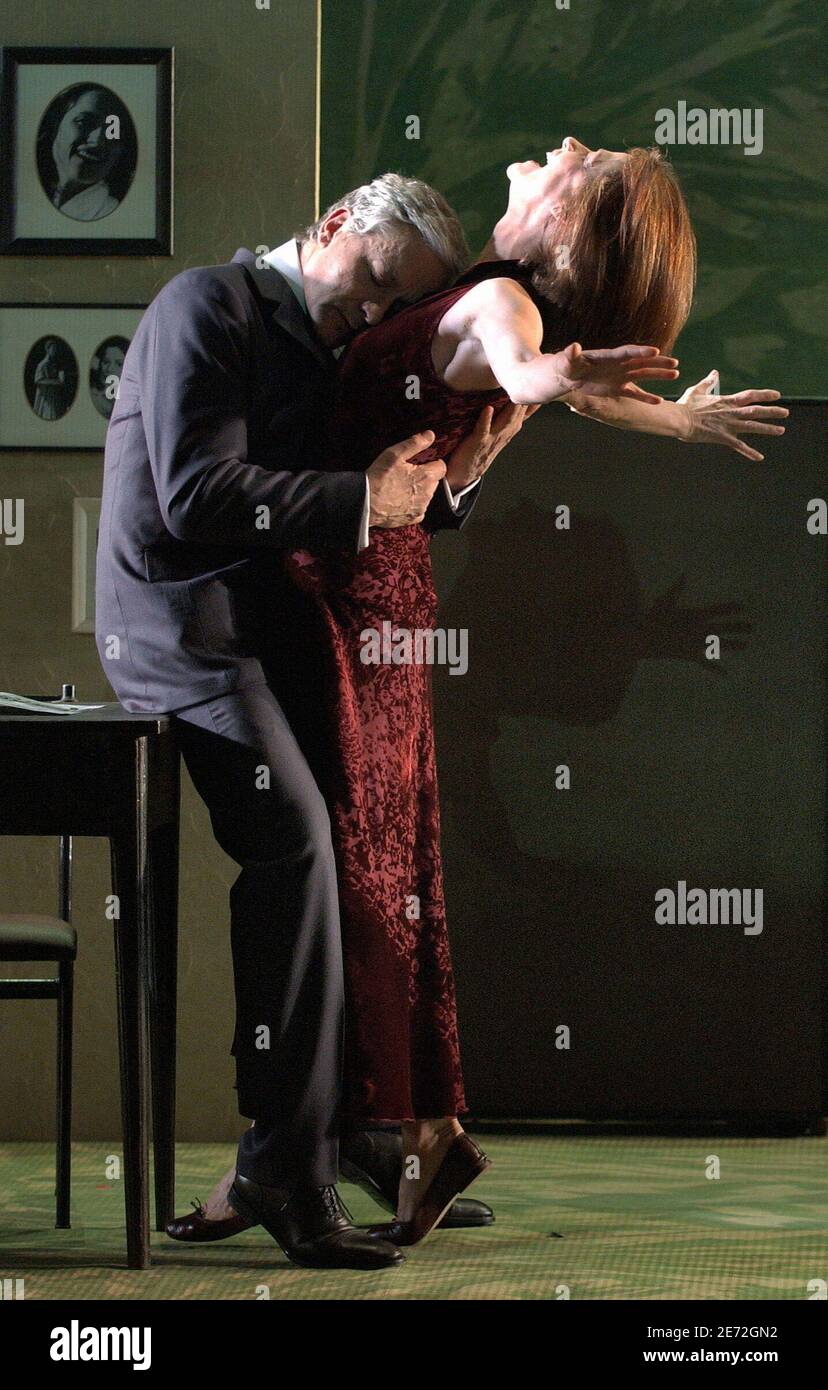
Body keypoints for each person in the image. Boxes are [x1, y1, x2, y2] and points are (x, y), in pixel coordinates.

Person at [168, 139, 787, 1249]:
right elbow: (556, 384)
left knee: (353, 880)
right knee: (381, 873)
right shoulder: (485, 295)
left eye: (580, 167)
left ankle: (340, 1144)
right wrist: (671, 418)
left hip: (344, 598)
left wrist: (542, 380)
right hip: (374, 591)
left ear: (562, 230)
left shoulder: (504, 305)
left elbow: (521, 363)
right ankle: (406, 1131)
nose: (565, 148)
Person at [96, 173, 535, 1270]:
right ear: (335, 226)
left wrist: (448, 485)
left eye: (399, 310)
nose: (376, 322)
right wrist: (359, 501)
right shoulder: (207, 306)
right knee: (296, 843)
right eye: (376, 291)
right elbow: (196, 492)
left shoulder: (323, 339)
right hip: (185, 636)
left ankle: (361, 1138)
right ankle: (284, 1166)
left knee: (363, 841)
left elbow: (356, 482)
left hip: (280, 630)